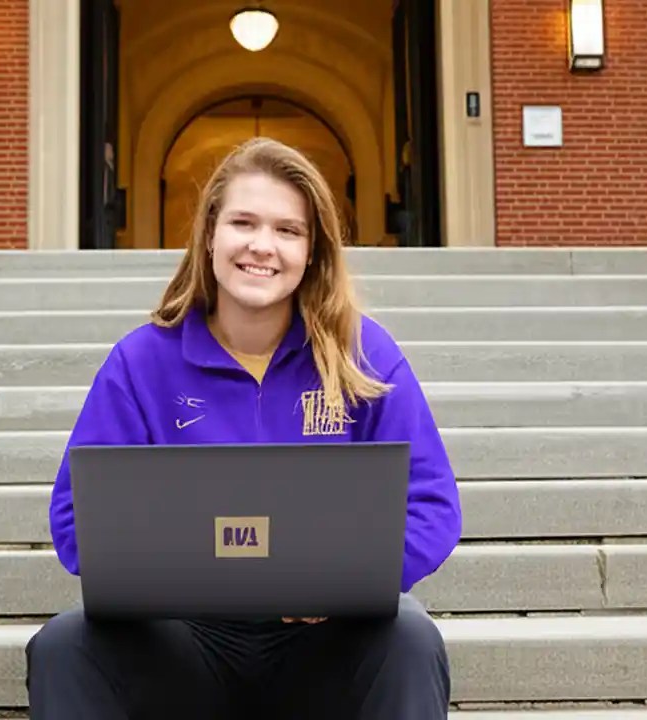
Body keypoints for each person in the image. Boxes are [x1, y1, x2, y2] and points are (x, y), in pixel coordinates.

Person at [25, 137, 462, 719]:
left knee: (410, 639)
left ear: (313, 250)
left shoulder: (365, 356)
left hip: (323, 646)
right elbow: (75, 515)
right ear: (210, 235)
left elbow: (432, 504)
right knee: (64, 646)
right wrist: (175, 583)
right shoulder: (141, 362)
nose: (263, 245)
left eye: (288, 230)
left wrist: (339, 584)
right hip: (181, 644)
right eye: (244, 222)